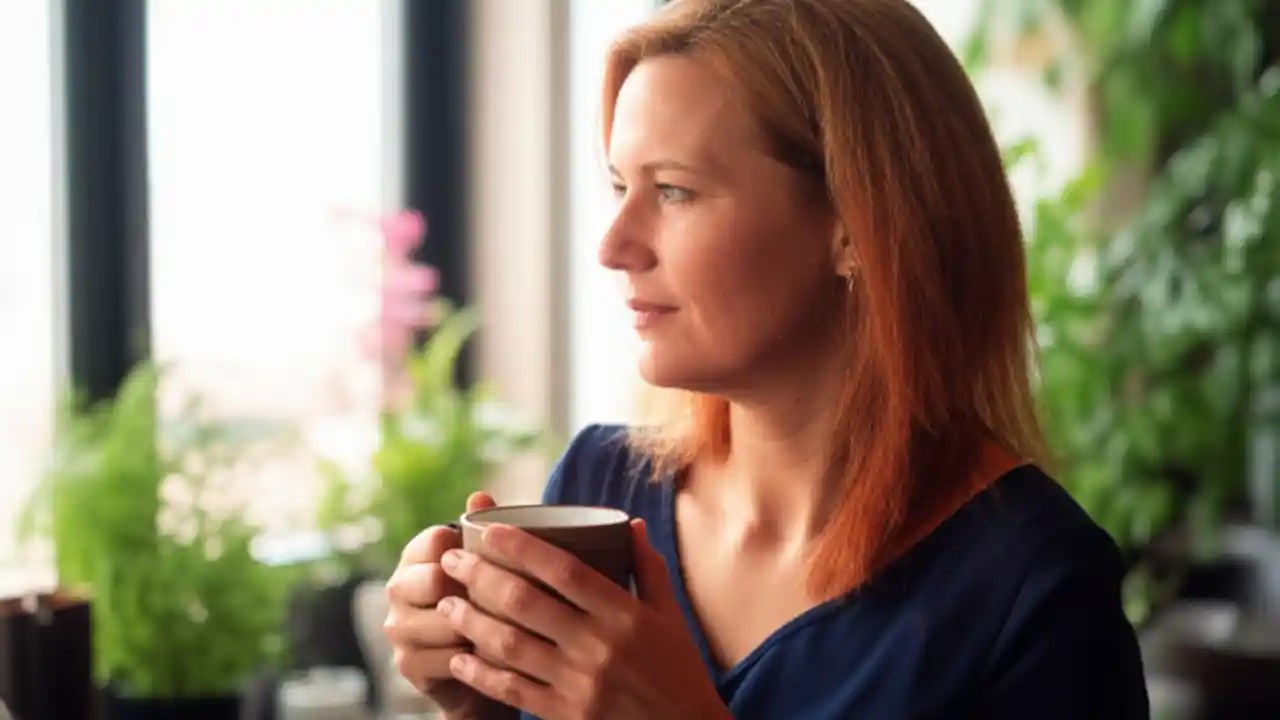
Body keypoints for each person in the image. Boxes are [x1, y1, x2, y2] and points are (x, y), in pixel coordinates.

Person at [383, 0, 1150, 717]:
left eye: (675, 191)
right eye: (620, 185)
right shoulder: (597, 490)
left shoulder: (1035, 587)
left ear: (855, 225)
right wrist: (482, 696)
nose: (613, 246)